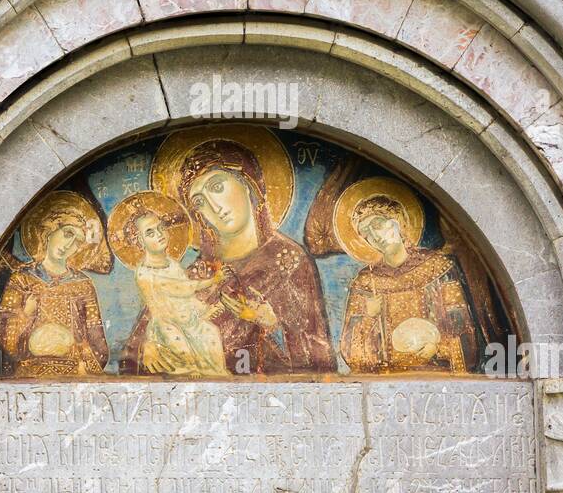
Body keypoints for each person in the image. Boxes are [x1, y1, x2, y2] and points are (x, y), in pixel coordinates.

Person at [124, 131, 335, 375]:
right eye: (199, 202)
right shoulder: (196, 273)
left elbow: (318, 363)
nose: (214, 207)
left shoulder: (288, 261)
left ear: (246, 183)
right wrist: (149, 345)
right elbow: (134, 353)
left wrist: (270, 323)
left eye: (217, 187)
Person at [335, 178, 482, 374]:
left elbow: (463, 330)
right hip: (384, 380)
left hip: (437, 375)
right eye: (366, 233)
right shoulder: (366, 283)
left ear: (397, 222)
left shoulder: (437, 268)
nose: (376, 237)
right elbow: (352, 356)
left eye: (378, 224)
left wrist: (437, 347)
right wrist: (369, 316)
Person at [108, 191, 233, 377]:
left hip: (187, 318)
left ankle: (215, 372)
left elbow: (187, 296)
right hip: (165, 324)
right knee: (178, 342)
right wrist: (212, 280)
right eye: (150, 233)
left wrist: (203, 309)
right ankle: (188, 370)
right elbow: (179, 288)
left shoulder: (173, 264)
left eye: (161, 228)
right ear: (139, 242)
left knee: (210, 332)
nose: (159, 235)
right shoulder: (144, 272)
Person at [0, 191, 109, 377]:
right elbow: (0, 331)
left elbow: (98, 344)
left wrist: (74, 349)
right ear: (50, 230)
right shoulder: (22, 279)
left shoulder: (83, 284)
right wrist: (26, 315)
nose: (69, 245)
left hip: (74, 374)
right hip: (28, 374)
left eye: (77, 242)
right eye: (67, 234)